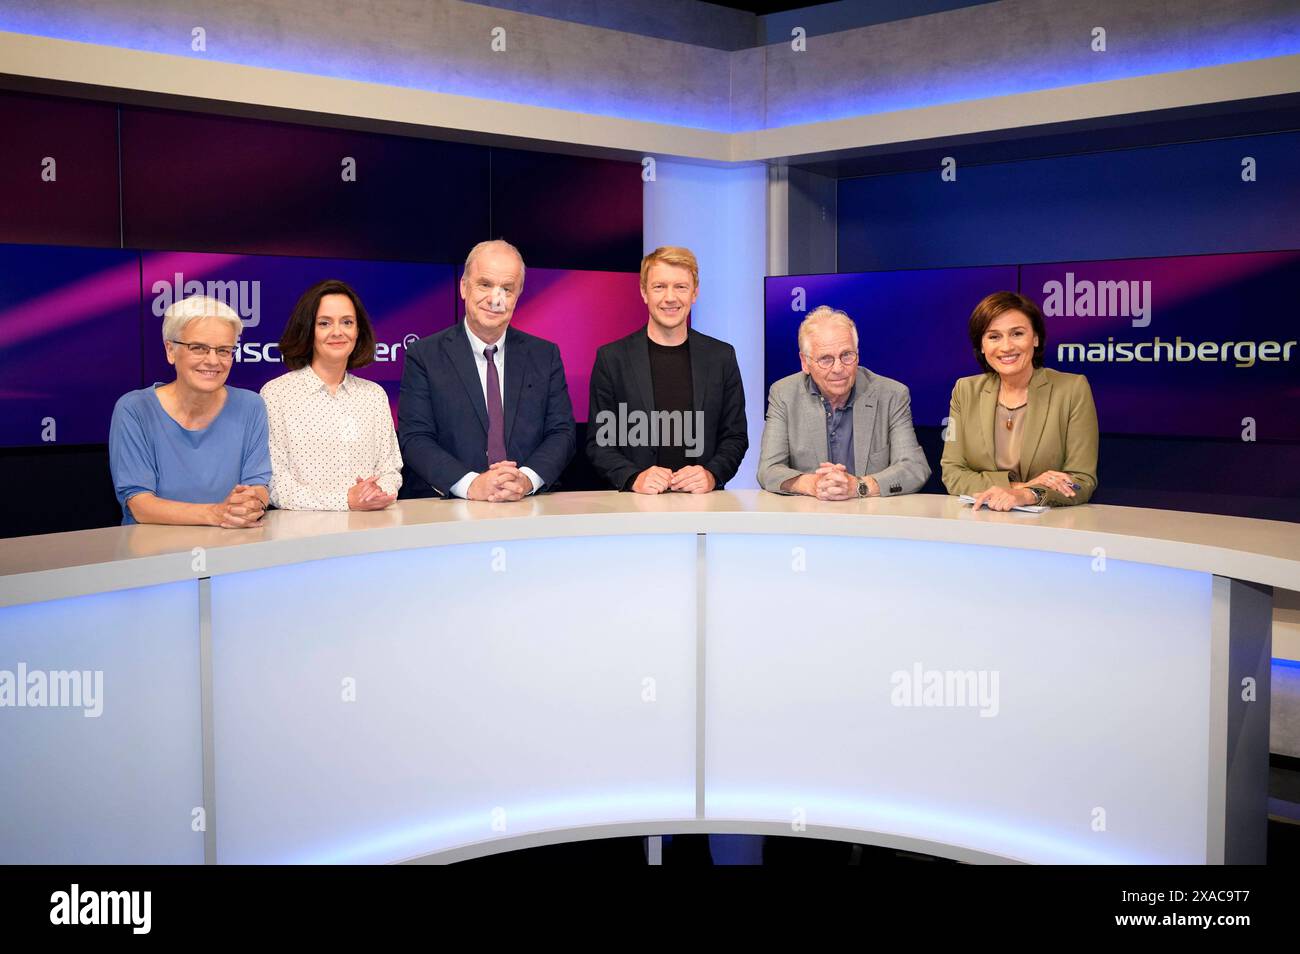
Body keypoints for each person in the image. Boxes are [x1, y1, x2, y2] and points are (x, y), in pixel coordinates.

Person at [398, 239, 576, 500]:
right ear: (463, 287)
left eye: (507, 288)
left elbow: (562, 433)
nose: (496, 299)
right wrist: (471, 485)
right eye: (485, 284)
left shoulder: (545, 355)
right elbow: (415, 438)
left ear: (518, 295)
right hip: (449, 513)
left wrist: (526, 479)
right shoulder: (424, 355)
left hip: (528, 507)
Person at [586, 246, 748, 493]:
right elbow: (599, 443)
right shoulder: (612, 359)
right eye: (659, 287)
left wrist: (712, 475)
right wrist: (633, 478)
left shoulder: (722, 357)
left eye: (680, 287)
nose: (670, 297)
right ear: (644, 292)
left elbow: (735, 437)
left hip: (703, 509)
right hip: (636, 507)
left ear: (695, 293)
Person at [109, 295, 271, 527]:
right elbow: (140, 504)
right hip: (151, 555)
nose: (213, 360)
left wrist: (251, 503)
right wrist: (215, 514)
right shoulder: (134, 410)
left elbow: (258, 485)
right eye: (199, 348)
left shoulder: (251, 406)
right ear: (170, 350)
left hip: (232, 550)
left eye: (224, 350)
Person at [941, 291, 1098, 510]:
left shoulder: (1072, 389)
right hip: (980, 522)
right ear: (982, 346)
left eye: (1017, 333)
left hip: (1050, 529)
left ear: (1035, 338)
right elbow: (952, 472)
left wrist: (1027, 496)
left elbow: (1081, 481)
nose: (1006, 347)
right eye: (994, 336)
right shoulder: (965, 390)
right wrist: (1019, 487)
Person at [758, 306, 929, 499]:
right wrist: (812, 484)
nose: (839, 368)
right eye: (826, 359)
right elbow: (769, 470)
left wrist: (859, 486)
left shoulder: (892, 395)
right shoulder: (784, 394)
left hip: (873, 519)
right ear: (805, 362)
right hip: (807, 520)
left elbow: (914, 468)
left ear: (858, 354)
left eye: (846, 355)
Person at [260, 280, 401, 511]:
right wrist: (346, 501)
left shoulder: (374, 396)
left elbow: (390, 469)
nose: (338, 332)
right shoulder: (276, 395)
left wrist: (375, 494)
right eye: (324, 323)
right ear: (308, 330)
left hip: (371, 530)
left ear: (358, 331)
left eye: (347, 322)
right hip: (302, 535)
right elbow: (276, 485)